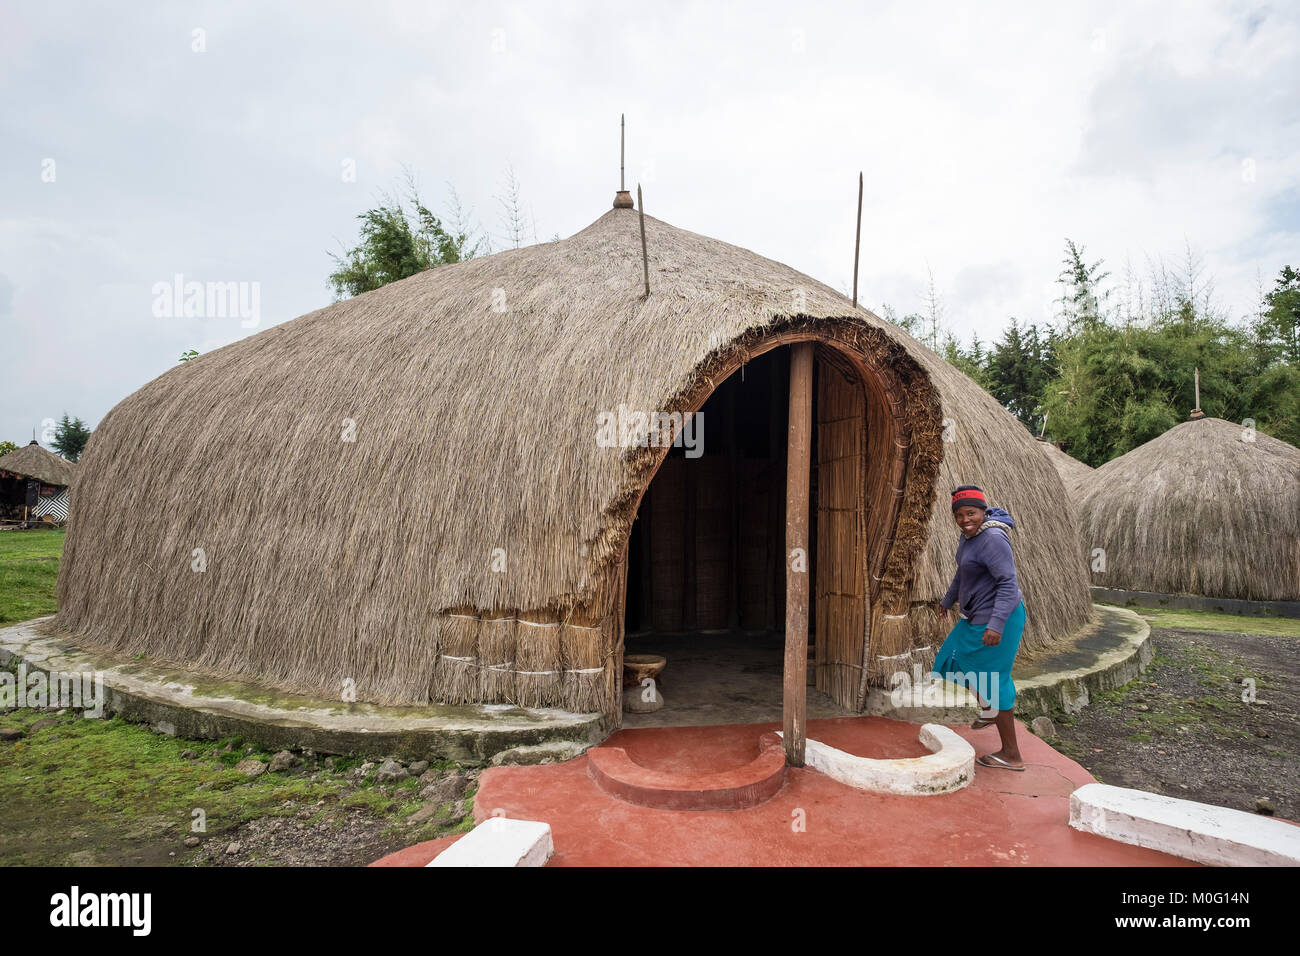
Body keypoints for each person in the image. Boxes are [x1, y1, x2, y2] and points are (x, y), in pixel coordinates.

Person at [931, 485, 1028, 771]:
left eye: (970, 512)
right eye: (959, 515)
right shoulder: (969, 537)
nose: (964, 519)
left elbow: (1008, 585)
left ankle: (1012, 754)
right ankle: (988, 710)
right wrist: (948, 600)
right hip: (976, 617)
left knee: (994, 679)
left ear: (983, 512)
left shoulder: (993, 539)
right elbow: (963, 572)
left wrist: (996, 625)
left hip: (1001, 618)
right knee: (953, 657)